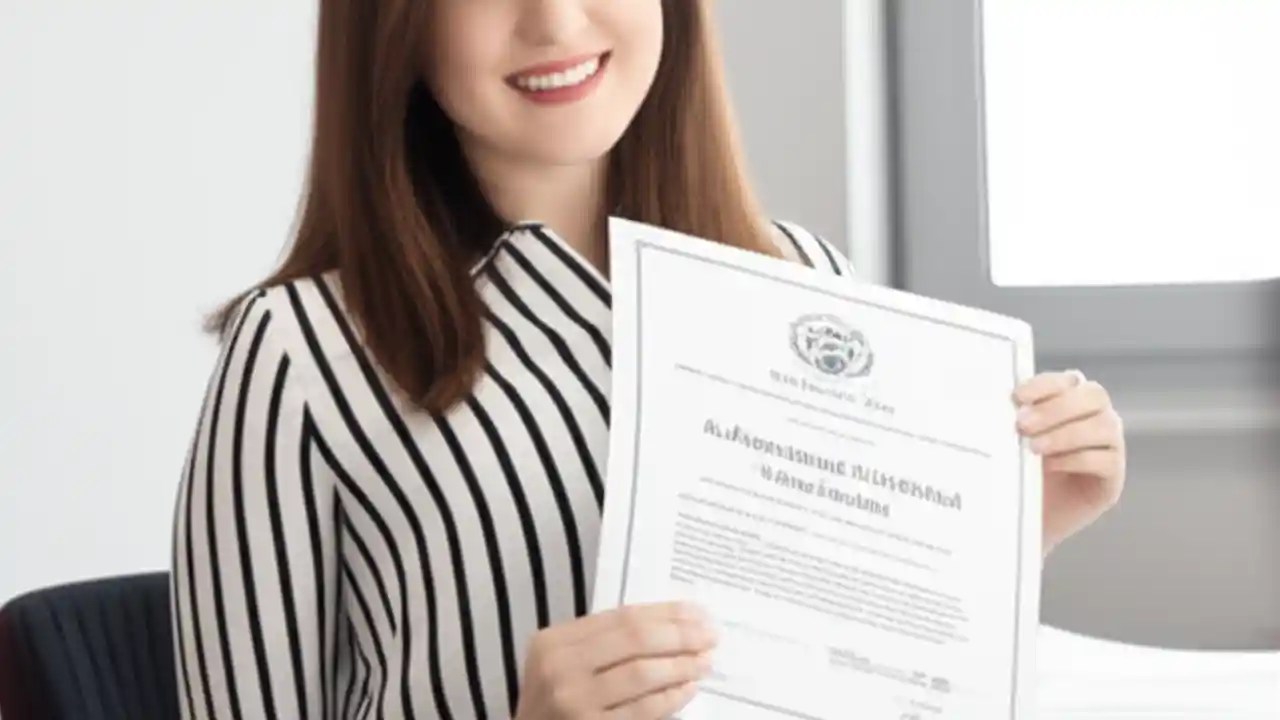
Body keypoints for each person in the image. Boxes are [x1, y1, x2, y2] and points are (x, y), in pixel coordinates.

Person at [169, 1, 1128, 718]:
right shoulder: (301, 350)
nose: (553, 20)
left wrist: (1003, 542)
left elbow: (856, 665)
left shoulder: (805, 279)